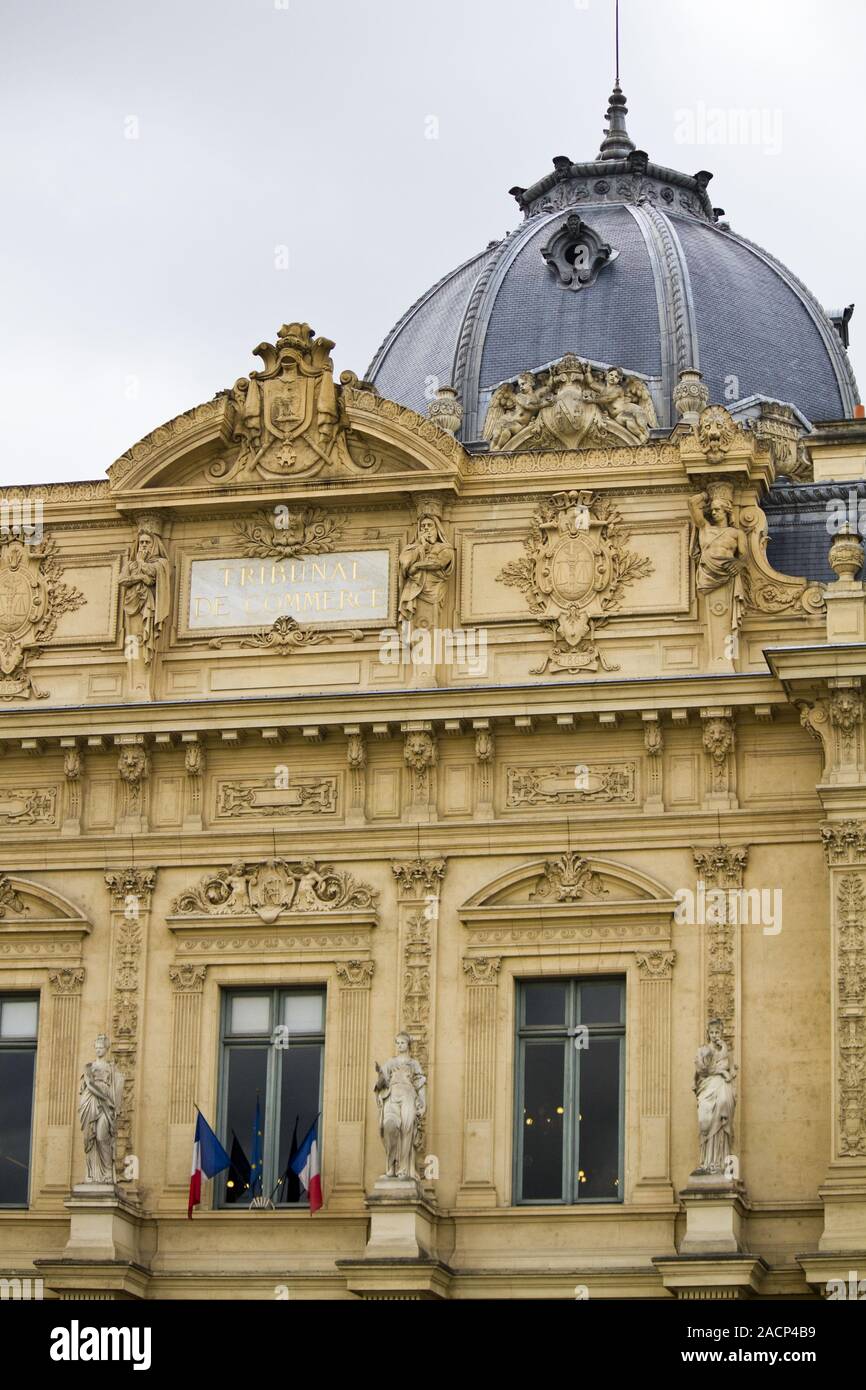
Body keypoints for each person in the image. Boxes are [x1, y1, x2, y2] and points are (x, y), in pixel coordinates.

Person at [374, 1033, 427, 1180]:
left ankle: (403, 1169)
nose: (399, 1046)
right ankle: (391, 1165)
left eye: (402, 1043)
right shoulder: (390, 1063)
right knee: (389, 1125)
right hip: (392, 1095)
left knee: (407, 1130)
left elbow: (421, 1085)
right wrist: (380, 1077)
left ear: (408, 1044)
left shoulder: (414, 1063)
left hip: (408, 1095)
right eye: (397, 1043)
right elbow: (379, 1085)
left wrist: (423, 1104)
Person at [78, 1035, 124, 1184]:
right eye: (96, 1047)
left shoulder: (111, 1067)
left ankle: (107, 1173)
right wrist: (106, 1098)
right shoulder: (89, 1067)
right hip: (91, 1100)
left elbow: (118, 1084)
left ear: (106, 1049)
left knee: (102, 1136)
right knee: (90, 1138)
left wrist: (114, 1104)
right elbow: (90, 1085)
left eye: (101, 1047)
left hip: (107, 1105)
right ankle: (93, 1175)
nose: (98, 1050)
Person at [693, 1019, 737, 1175]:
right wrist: (720, 1070)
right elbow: (702, 1070)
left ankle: (721, 1163)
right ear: (708, 1033)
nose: (714, 1035)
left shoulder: (727, 1051)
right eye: (711, 1032)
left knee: (722, 1114)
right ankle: (706, 1161)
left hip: (722, 1087)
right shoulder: (703, 1050)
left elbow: (732, 1072)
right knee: (705, 1122)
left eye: (717, 1032)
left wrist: (724, 1050)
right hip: (707, 1087)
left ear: (721, 1033)